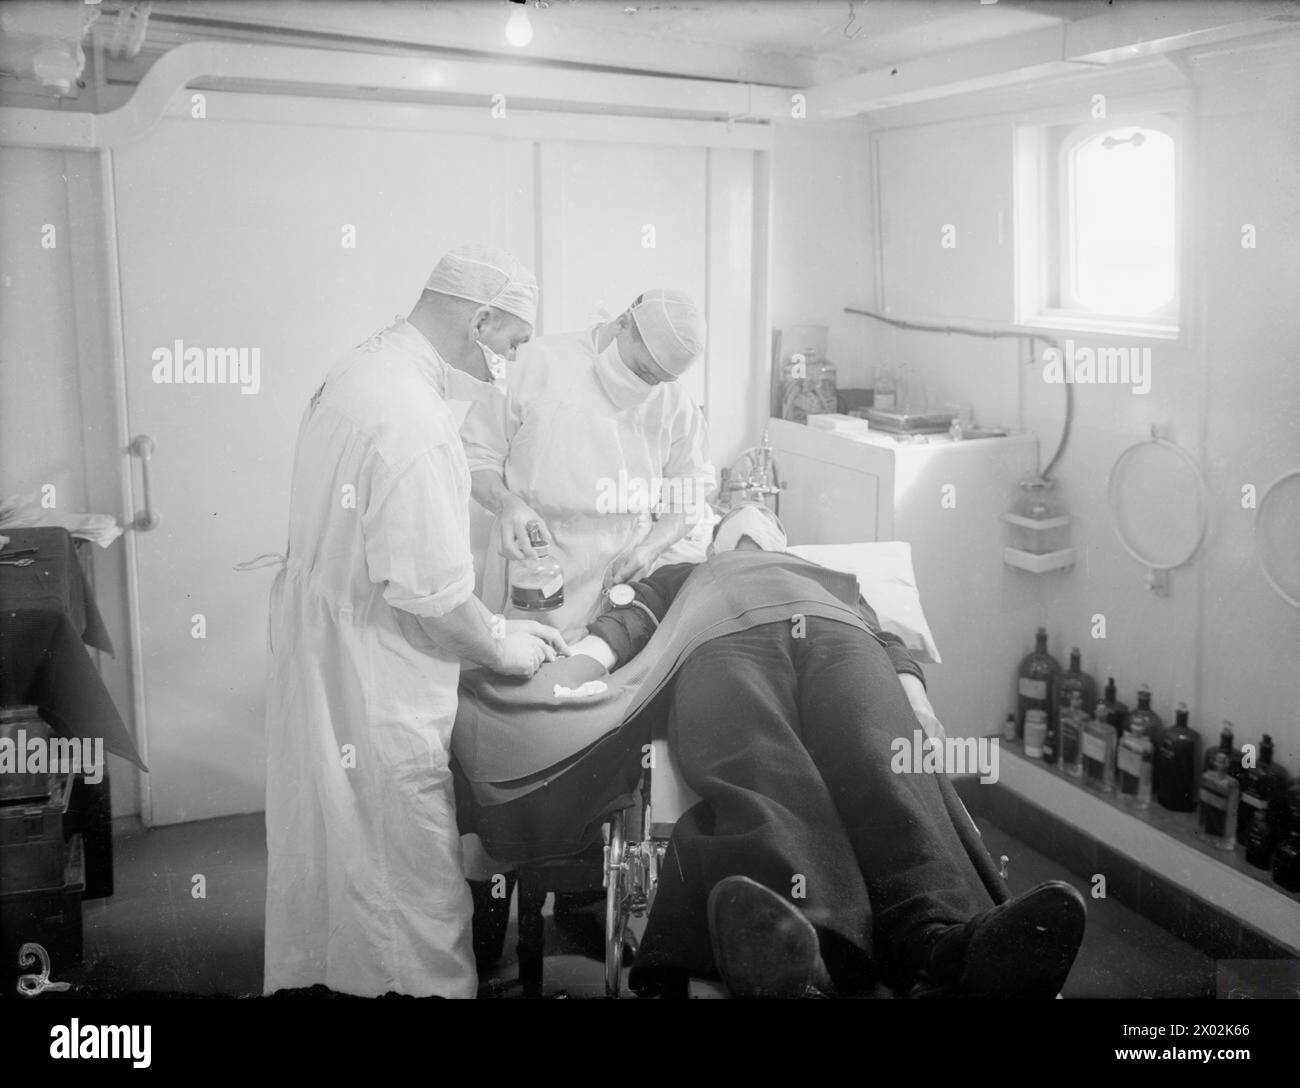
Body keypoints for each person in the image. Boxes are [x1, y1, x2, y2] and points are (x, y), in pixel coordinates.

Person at [563, 503, 1088, 998]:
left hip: (843, 642)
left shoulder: (830, 576)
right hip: (719, 642)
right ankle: (805, 954)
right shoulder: (685, 574)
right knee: (763, 770)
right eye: (736, 519)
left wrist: (916, 701)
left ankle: (943, 946)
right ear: (714, 541)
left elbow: (886, 641)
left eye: (765, 517)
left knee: (885, 761)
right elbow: (624, 628)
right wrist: (570, 675)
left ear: (783, 539)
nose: (751, 520)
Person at [263, 245, 569, 999]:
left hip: (326, 642)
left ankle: (342, 978)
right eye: (512, 341)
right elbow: (434, 605)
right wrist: (504, 644)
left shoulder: (367, 369)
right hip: (376, 669)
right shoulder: (415, 420)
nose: (511, 358)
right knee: (406, 872)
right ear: (482, 317)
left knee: (337, 844)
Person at [462, 288, 716, 645]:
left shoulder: (675, 405)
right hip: (533, 564)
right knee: (525, 676)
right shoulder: (536, 364)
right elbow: (475, 454)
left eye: (660, 379)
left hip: (620, 579)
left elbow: (689, 495)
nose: (647, 386)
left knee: (599, 682)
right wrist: (507, 504)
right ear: (624, 322)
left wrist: (651, 548)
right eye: (643, 370)